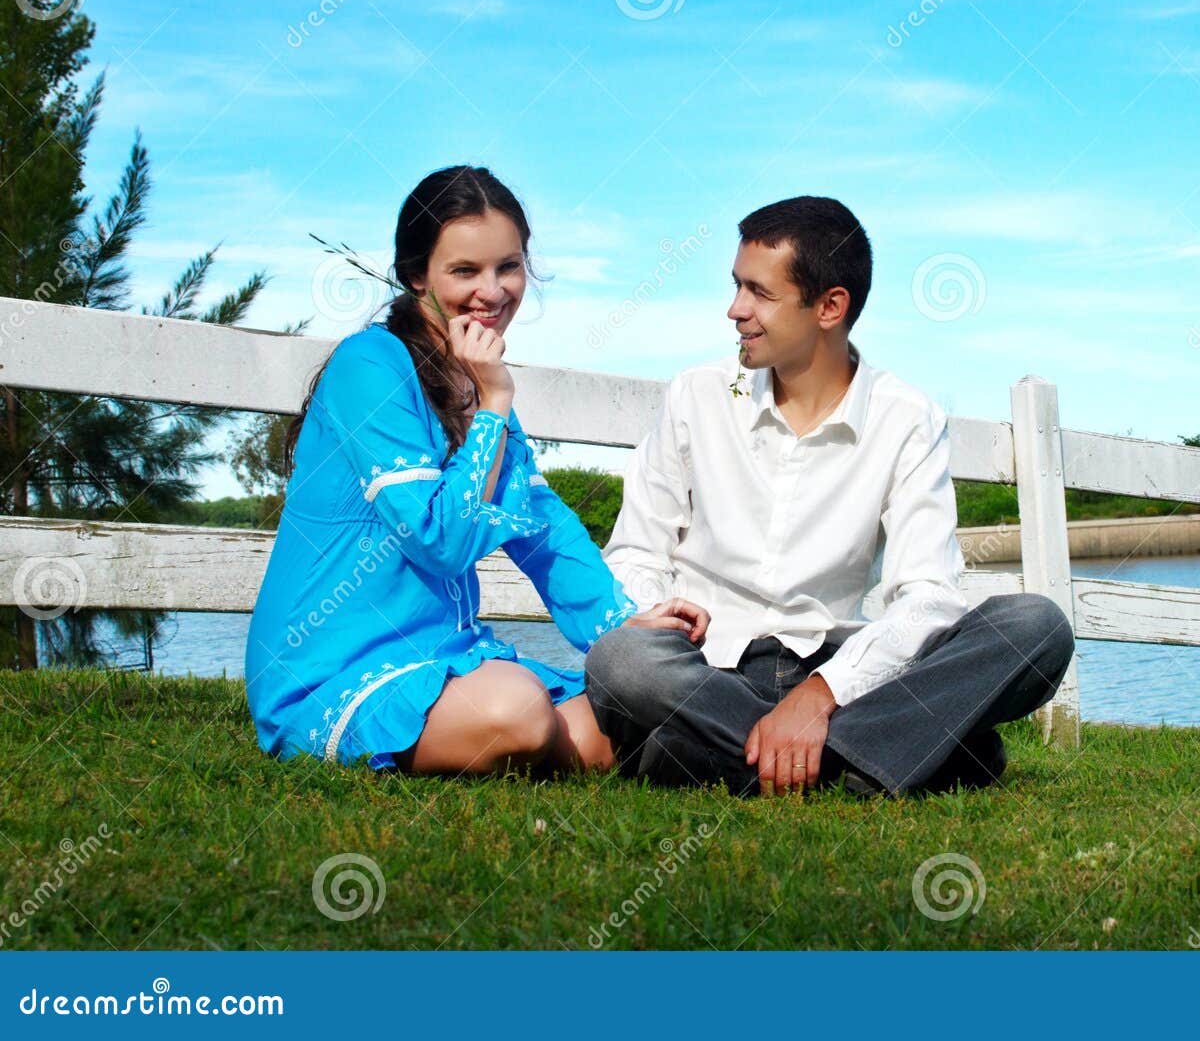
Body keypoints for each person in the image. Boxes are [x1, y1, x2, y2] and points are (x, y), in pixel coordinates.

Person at [587, 195, 1074, 797]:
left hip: (839, 668)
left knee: (1036, 626)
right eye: (737, 286)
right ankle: (889, 754)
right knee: (622, 662)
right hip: (707, 668)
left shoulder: (907, 418)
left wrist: (822, 696)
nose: (734, 310)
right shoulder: (696, 394)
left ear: (830, 306)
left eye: (758, 293)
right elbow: (636, 550)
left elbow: (927, 596)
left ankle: (725, 754)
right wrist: (651, 608)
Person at [246, 166, 704, 776]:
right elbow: (440, 542)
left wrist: (624, 626)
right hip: (333, 664)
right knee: (518, 711)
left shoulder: (471, 384)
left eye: (507, 267)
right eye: (465, 271)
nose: (492, 291)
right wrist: (493, 404)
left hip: (448, 655)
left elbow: (543, 531)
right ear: (416, 276)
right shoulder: (370, 366)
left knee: (615, 724)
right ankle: (502, 732)